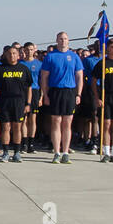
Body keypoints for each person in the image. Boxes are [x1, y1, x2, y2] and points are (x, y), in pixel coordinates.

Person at [38, 32, 84, 164]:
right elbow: (44, 77)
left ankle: (65, 152)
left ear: (68, 41)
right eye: (60, 39)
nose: (63, 41)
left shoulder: (74, 57)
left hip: (70, 92)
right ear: (57, 40)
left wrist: (78, 94)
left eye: (65, 39)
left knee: (67, 122)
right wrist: (45, 94)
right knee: (56, 122)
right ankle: (57, 152)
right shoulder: (50, 57)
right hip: (55, 91)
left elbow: (79, 76)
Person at [0, 43, 32, 162]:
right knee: (5, 127)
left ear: (18, 55)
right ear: (6, 55)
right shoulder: (0, 68)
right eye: (9, 54)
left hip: (19, 102)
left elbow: (29, 88)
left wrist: (28, 104)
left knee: (17, 127)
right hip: (4, 101)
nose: (12, 56)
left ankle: (17, 152)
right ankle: (6, 152)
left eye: (14, 53)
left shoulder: (24, 69)